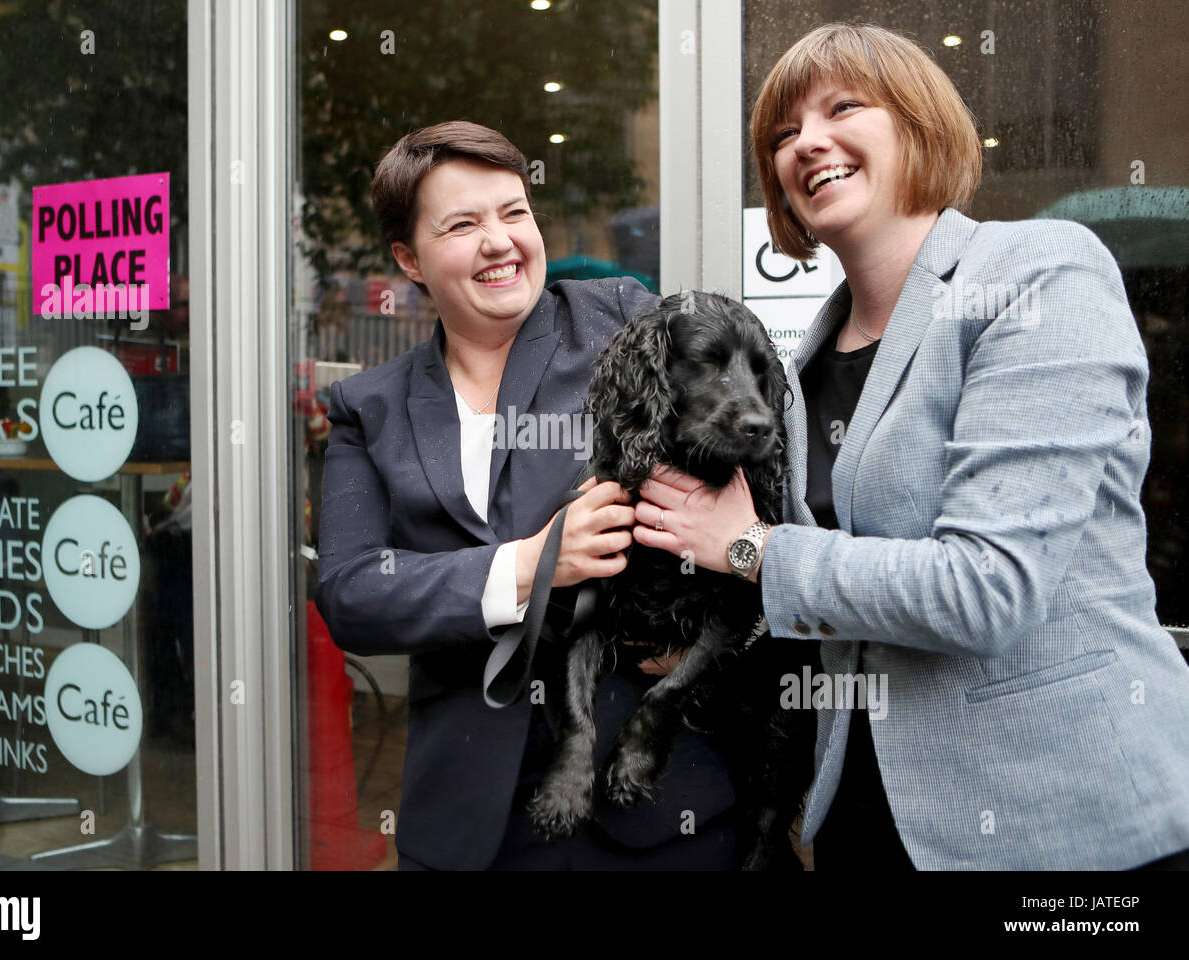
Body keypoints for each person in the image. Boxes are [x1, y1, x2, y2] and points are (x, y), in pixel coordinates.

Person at [633, 23, 1189, 870]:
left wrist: (750, 546)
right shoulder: (804, 362)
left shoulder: (1037, 272)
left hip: (1058, 824)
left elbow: (987, 589)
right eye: (783, 134)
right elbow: (831, 596)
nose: (806, 141)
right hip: (866, 817)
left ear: (921, 126)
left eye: (842, 108)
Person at [314, 121, 745, 870]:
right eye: (464, 223)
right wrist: (529, 565)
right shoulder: (370, 406)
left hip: (653, 804)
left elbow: (740, 433)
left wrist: (719, 572)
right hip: (469, 824)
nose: (500, 240)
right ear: (408, 258)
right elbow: (351, 595)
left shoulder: (618, 318)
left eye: (514, 212)